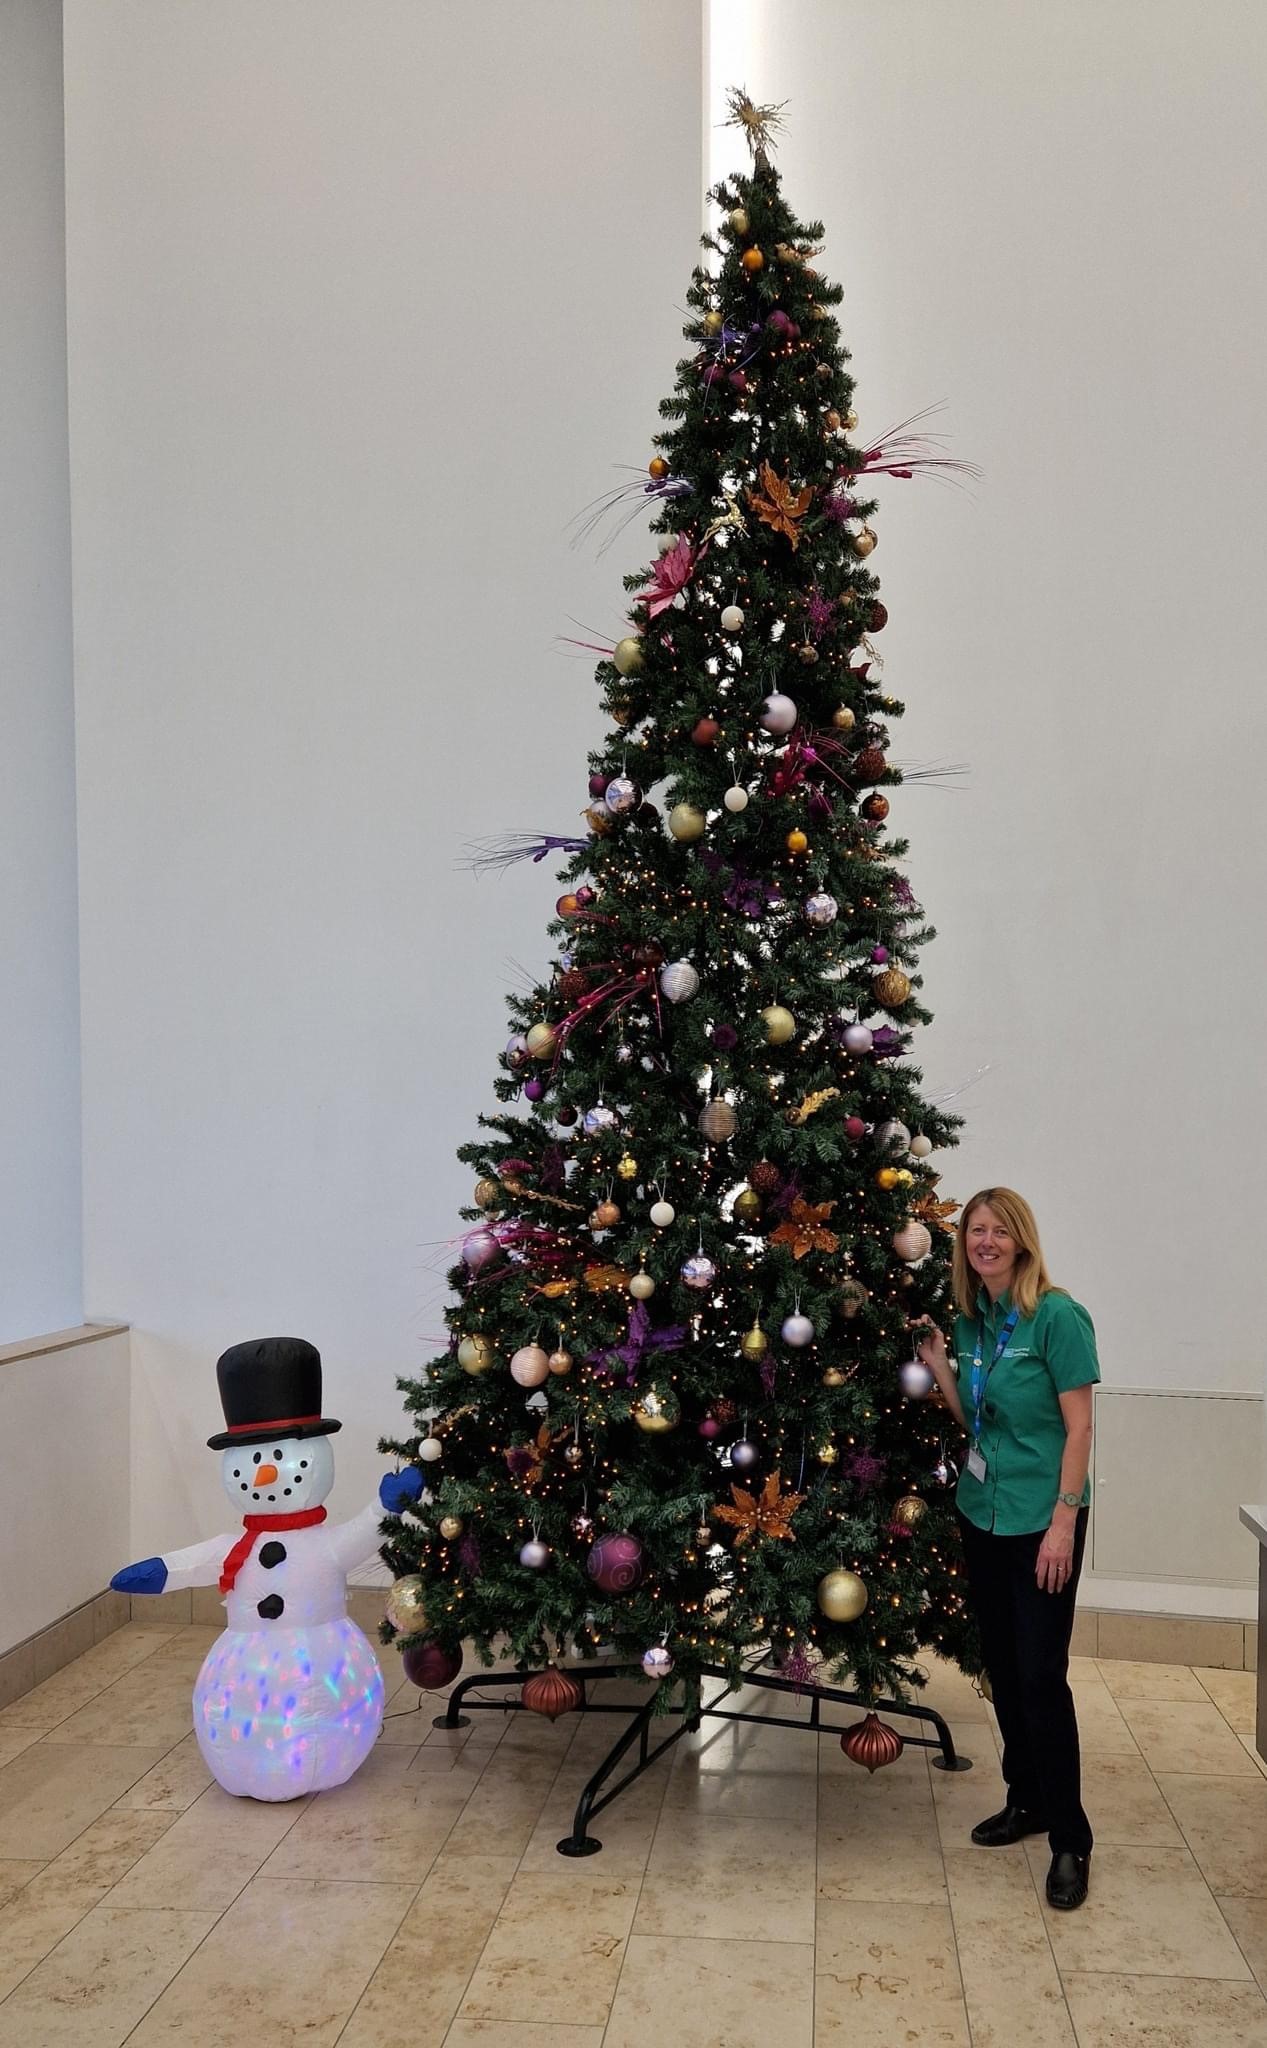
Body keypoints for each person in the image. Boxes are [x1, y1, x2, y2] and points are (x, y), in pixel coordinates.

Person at [915, 1186, 1098, 1911]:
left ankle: (1070, 1841)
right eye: (973, 1232)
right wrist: (939, 1369)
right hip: (980, 1513)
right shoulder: (973, 1318)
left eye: (996, 1231)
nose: (983, 1242)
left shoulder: (1056, 1316)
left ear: (1020, 1240)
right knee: (1000, 1665)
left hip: (1039, 1520)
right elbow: (978, 1422)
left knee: (1040, 1675)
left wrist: (1063, 1521)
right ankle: (1025, 1800)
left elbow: (1079, 1430)